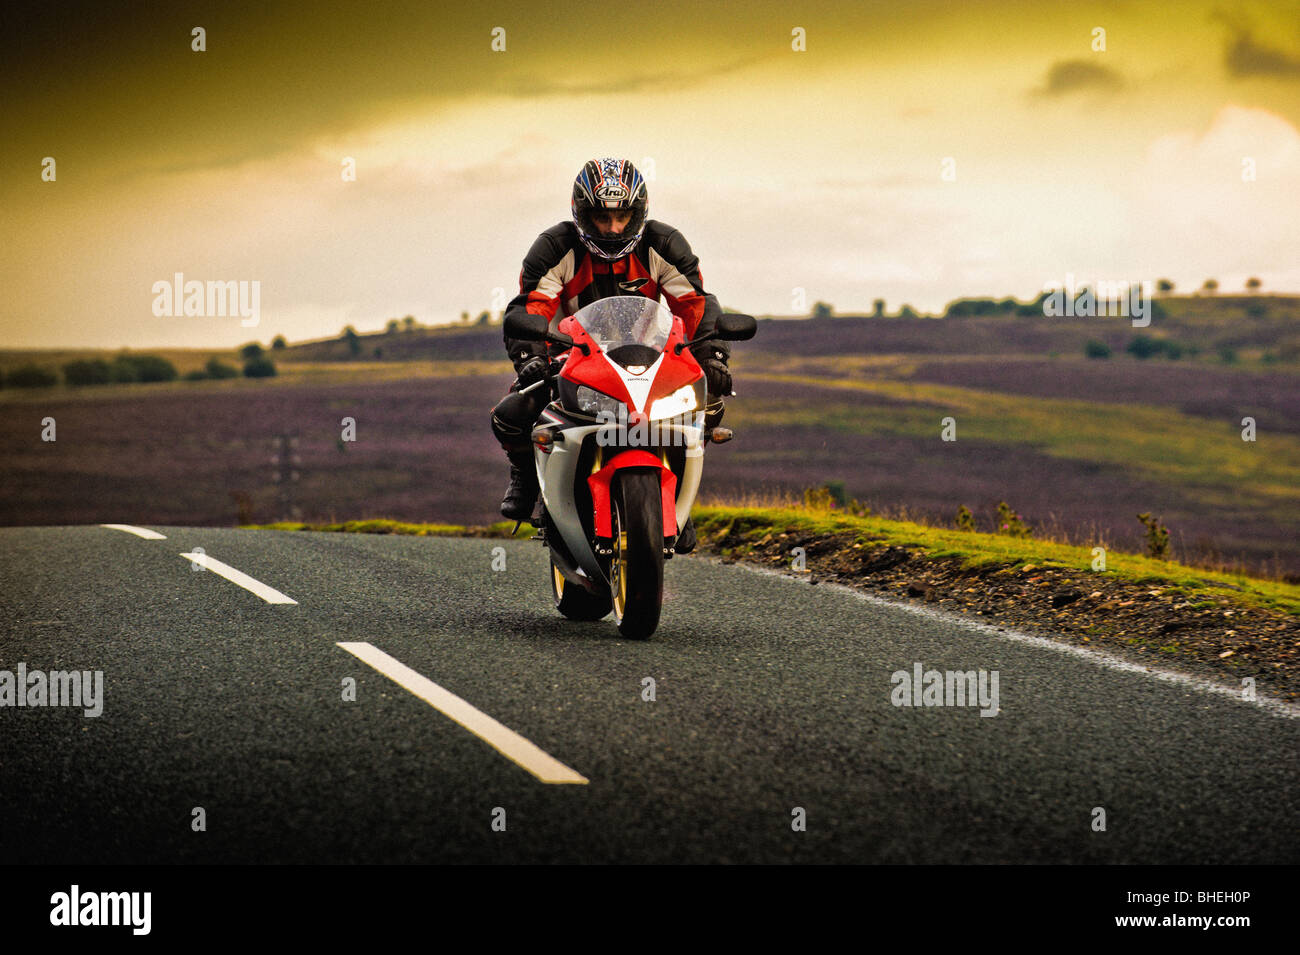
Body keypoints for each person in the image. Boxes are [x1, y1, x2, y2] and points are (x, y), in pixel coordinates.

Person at [490, 157, 734, 552]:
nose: (613, 228)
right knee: (512, 412)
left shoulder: (663, 243)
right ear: (580, 213)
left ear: (639, 212)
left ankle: (675, 505)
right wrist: (529, 357)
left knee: (707, 403)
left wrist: (713, 356)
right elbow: (531, 306)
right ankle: (524, 476)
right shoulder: (555, 247)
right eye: (601, 217)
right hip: (572, 359)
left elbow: (697, 304)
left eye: (623, 216)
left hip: (652, 356)